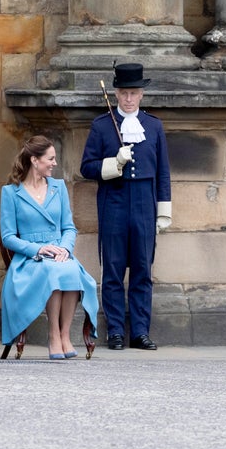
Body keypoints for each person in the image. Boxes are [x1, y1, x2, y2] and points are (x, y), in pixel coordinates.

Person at [80, 62, 171, 351]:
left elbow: (163, 172)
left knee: (143, 269)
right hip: (114, 202)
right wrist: (113, 163)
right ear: (116, 94)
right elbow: (87, 167)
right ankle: (116, 331)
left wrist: (163, 210)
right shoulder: (101, 126)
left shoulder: (154, 126)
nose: (129, 99)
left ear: (141, 94)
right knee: (114, 270)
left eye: (133, 93)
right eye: (123, 93)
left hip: (144, 202)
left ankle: (140, 332)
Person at [0, 136, 100, 359]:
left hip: (59, 252)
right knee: (52, 271)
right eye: (50, 158)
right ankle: (53, 334)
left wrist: (65, 249)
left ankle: (65, 335)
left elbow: (69, 228)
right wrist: (37, 249)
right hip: (29, 258)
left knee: (71, 269)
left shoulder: (58, 187)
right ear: (35, 160)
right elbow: (8, 237)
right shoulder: (10, 192)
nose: (55, 163)